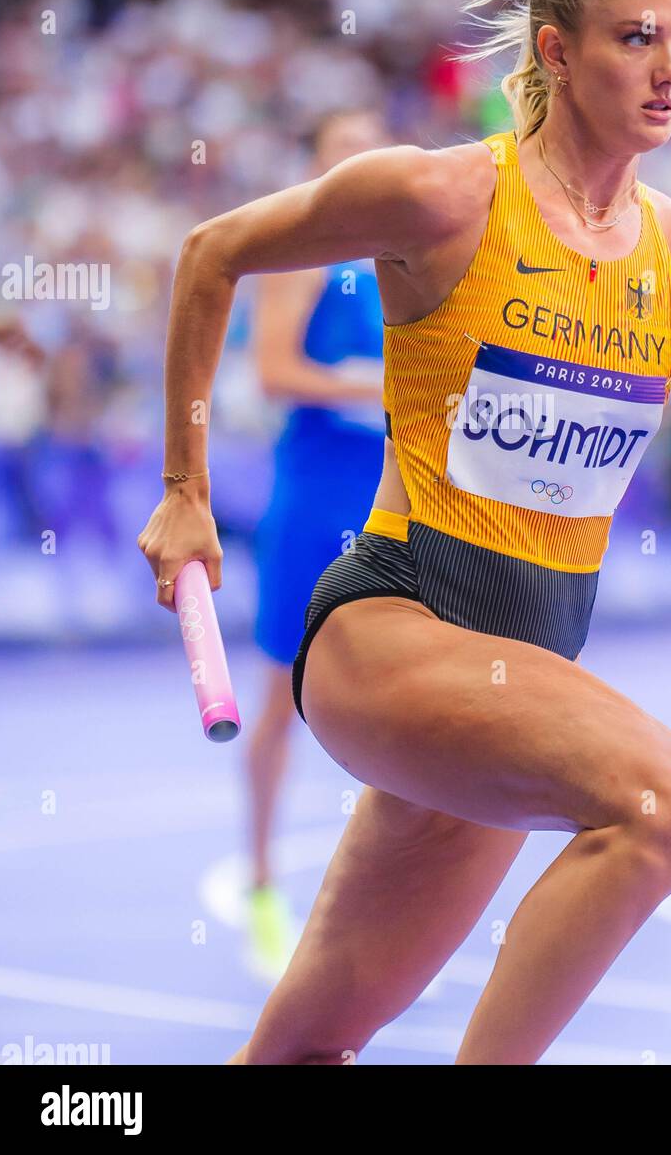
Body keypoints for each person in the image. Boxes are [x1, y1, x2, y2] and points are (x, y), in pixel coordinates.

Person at [137, 0, 671, 1066]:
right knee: (663, 805)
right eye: (637, 39)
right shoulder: (444, 195)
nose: (670, 69)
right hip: (395, 630)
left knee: (304, 1050)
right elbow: (211, 252)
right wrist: (184, 487)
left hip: (516, 670)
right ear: (556, 53)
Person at [245, 108, 389, 978]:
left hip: (393, 496)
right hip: (314, 491)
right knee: (280, 694)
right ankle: (262, 880)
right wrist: (369, 385)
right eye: (342, 153)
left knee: (394, 699)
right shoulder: (301, 256)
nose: (359, 167)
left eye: (372, 153)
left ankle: (377, 900)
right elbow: (271, 371)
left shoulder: (406, 259)